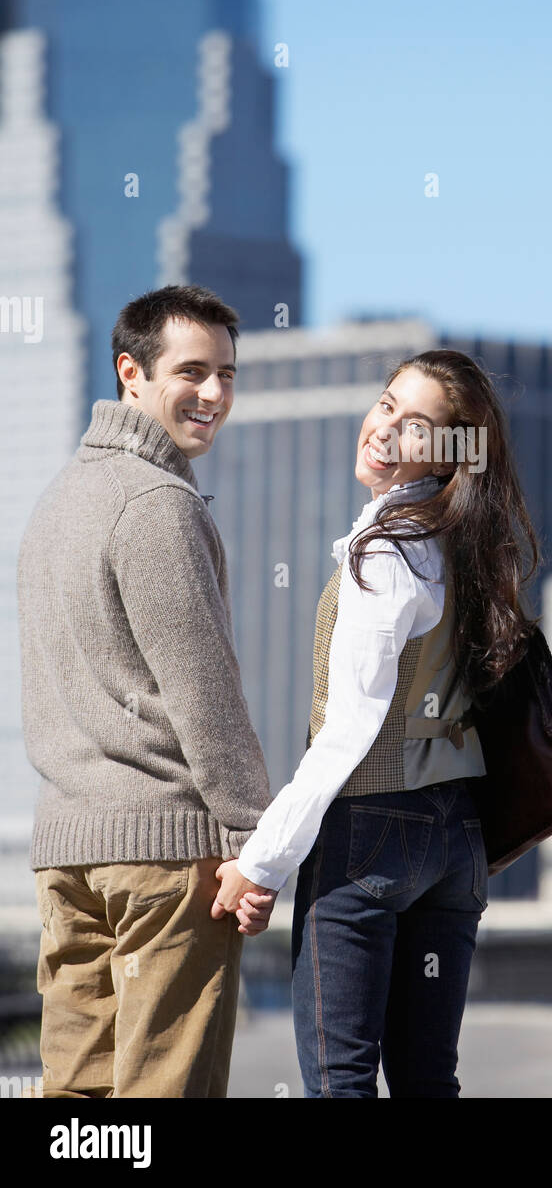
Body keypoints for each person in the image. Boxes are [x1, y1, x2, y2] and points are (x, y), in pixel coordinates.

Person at [214, 349, 539, 1096]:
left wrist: (261, 864)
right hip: (456, 837)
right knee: (428, 1080)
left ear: (454, 450)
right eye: (388, 403)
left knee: (341, 1080)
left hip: (374, 833)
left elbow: (349, 728)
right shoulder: (468, 548)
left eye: (417, 424)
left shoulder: (386, 553)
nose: (386, 428)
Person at [17, 284, 277, 1099]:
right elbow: (203, 692)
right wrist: (252, 842)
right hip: (164, 855)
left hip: (69, 852)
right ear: (131, 372)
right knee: (166, 1093)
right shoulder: (157, 502)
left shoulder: (57, 501)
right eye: (192, 371)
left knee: (78, 1104)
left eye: (228, 374)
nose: (214, 394)